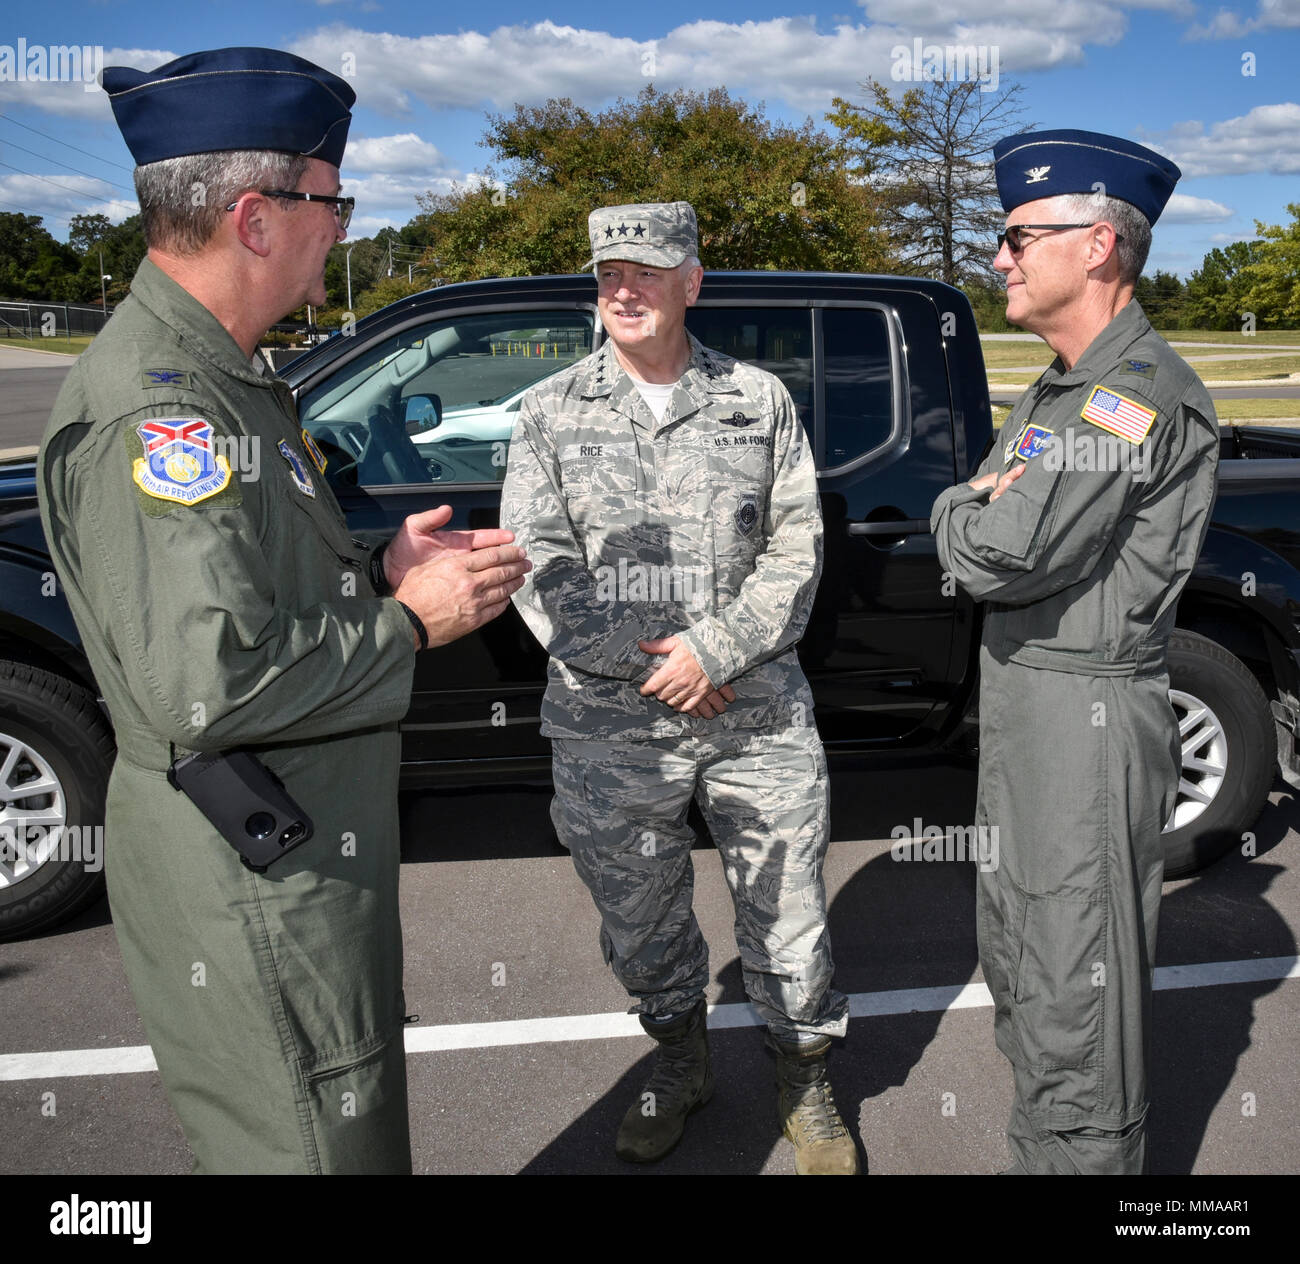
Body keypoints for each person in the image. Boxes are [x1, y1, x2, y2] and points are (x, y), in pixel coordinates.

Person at [36, 47, 530, 1174]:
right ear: (257, 217)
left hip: (291, 852)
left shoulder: (226, 378)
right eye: (332, 200)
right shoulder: (162, 412)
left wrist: (371, 564)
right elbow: (207, 683)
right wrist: (410, 622)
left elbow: (236, 584)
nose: (341, 229)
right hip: (257, 870)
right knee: (315, 1146)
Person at [500, 201, 856, 1174]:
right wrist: (656, 663)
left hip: (756, 710)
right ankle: (679, 1058)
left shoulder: (757, 399)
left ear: (690, 282)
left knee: (787, 907)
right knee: (639, 911)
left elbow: (796, 547)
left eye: (647, 272)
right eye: (609, 272)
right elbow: (537, 562)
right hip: (610, 726)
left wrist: (714, 649)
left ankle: (806, 1078)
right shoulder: (548, 412)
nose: (624, 289)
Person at [930, 130, 1220, 1174]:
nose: (999, 257)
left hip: (1082, 726)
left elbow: (1003, 547)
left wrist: (952, 510)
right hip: (1029, 718)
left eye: (1016, 237)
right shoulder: (1062, 386)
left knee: (1074, 1003)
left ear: (1096, 244)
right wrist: (977, 509)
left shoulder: (1125, 392)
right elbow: (999, 518)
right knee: (1022, 962)